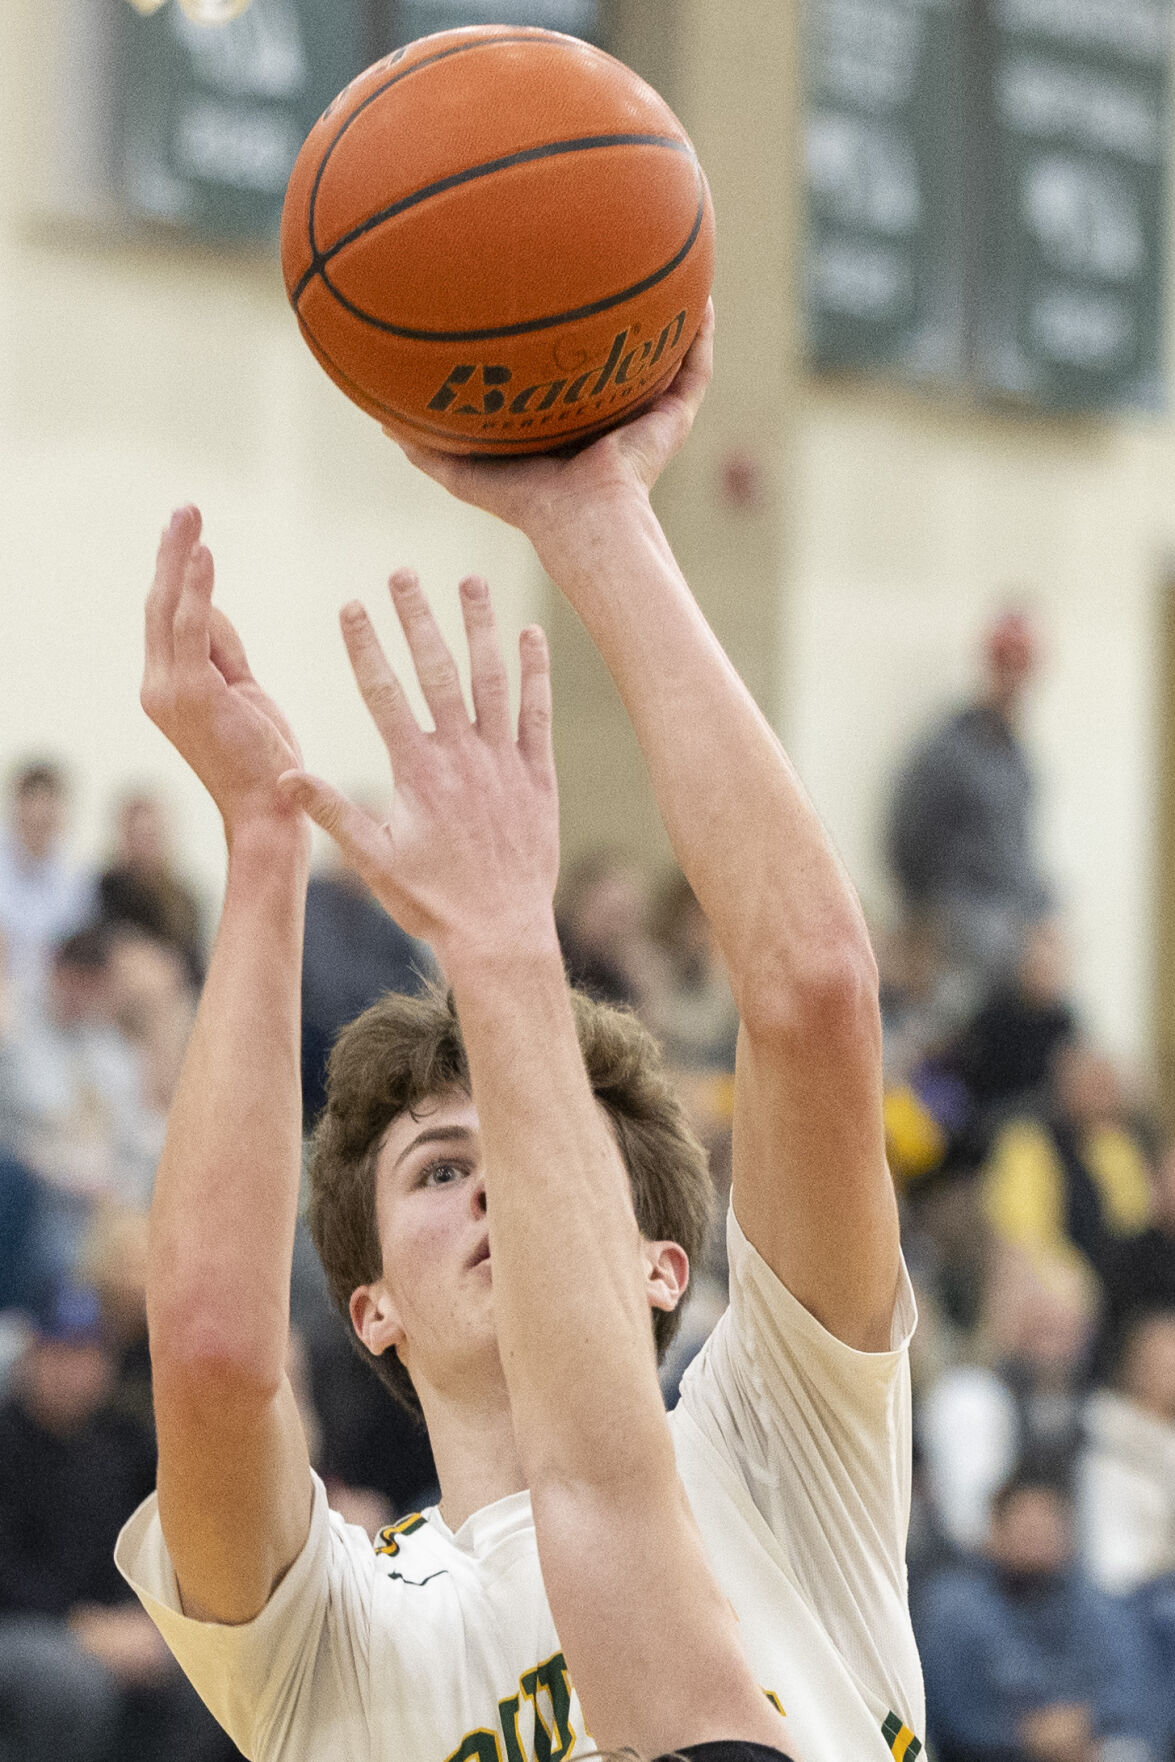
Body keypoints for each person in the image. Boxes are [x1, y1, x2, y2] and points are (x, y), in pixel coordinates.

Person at [116, 313, 924, 1761]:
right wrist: (259, 852)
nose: (491, 1183)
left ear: (660, 1265)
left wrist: (602, 513)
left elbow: (808, 995)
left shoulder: (773, 1449)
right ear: (367, 1307)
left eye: (542, 1158)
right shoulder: (345, 1626)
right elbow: (216, 1344)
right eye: (435, 1170)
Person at [916, 1469, 1164, 1762]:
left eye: (1048, 1525)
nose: (1037, 1539)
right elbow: (946, 1712)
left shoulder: (1097, 1602)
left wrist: (1084, 1723)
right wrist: (1025, 1739)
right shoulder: (953, 1606)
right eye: (1026, 1527)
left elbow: (1138, 1691)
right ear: (995, 1529)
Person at [886, 610, 1050, 983]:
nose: (1014, 680)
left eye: (1021, 668)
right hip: (961, 918)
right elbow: (907, 837)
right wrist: (923, 915)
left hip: (1008, 918)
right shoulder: (949, 752)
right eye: (1005, 666)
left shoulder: (1017, 760)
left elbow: (1018, 854)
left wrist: (1043, 916)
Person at [0, 759, 94, 1011]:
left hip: (52, 991)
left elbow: (76, 946)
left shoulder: (74, 875)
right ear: (18, 807)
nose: (42, 813)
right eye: (34, 802)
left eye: (50, 803)